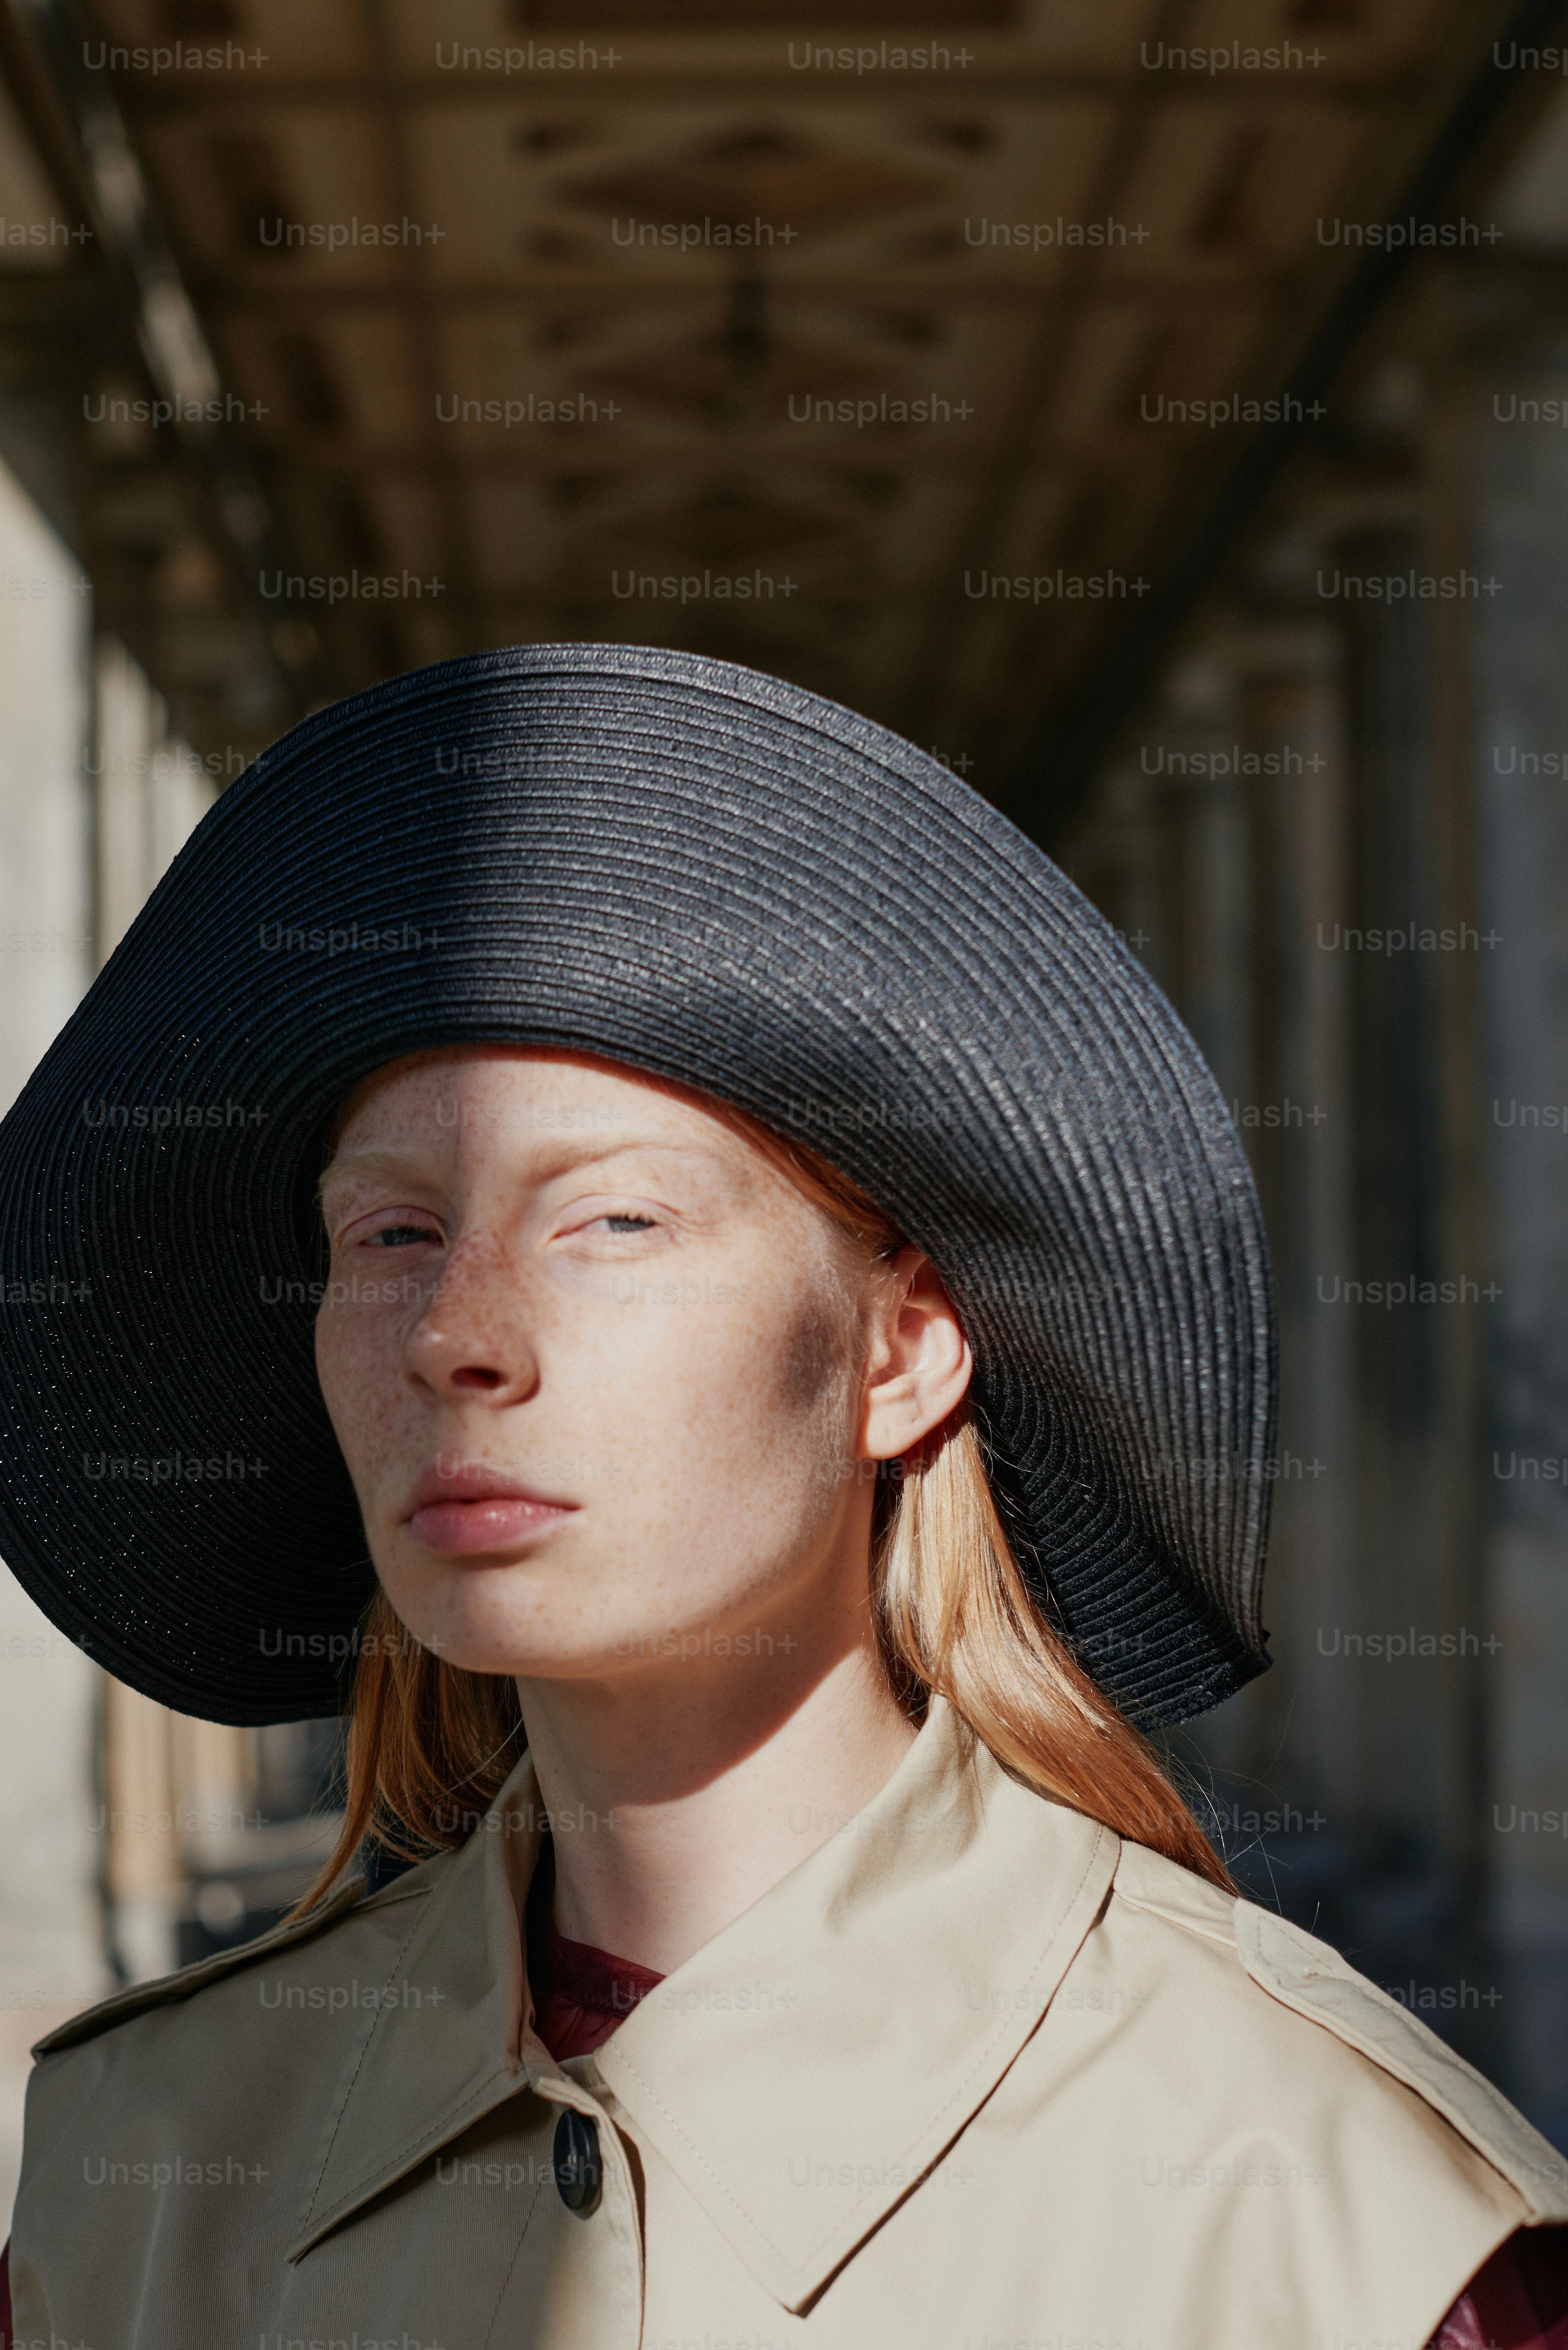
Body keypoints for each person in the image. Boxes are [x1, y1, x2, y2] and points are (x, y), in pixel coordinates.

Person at [0, 645, 1563, 2350]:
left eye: (613, 1223)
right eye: (391, 1236)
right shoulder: (137, 2162)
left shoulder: (1332, 2222)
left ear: (901, 1355)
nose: (456, 1335)